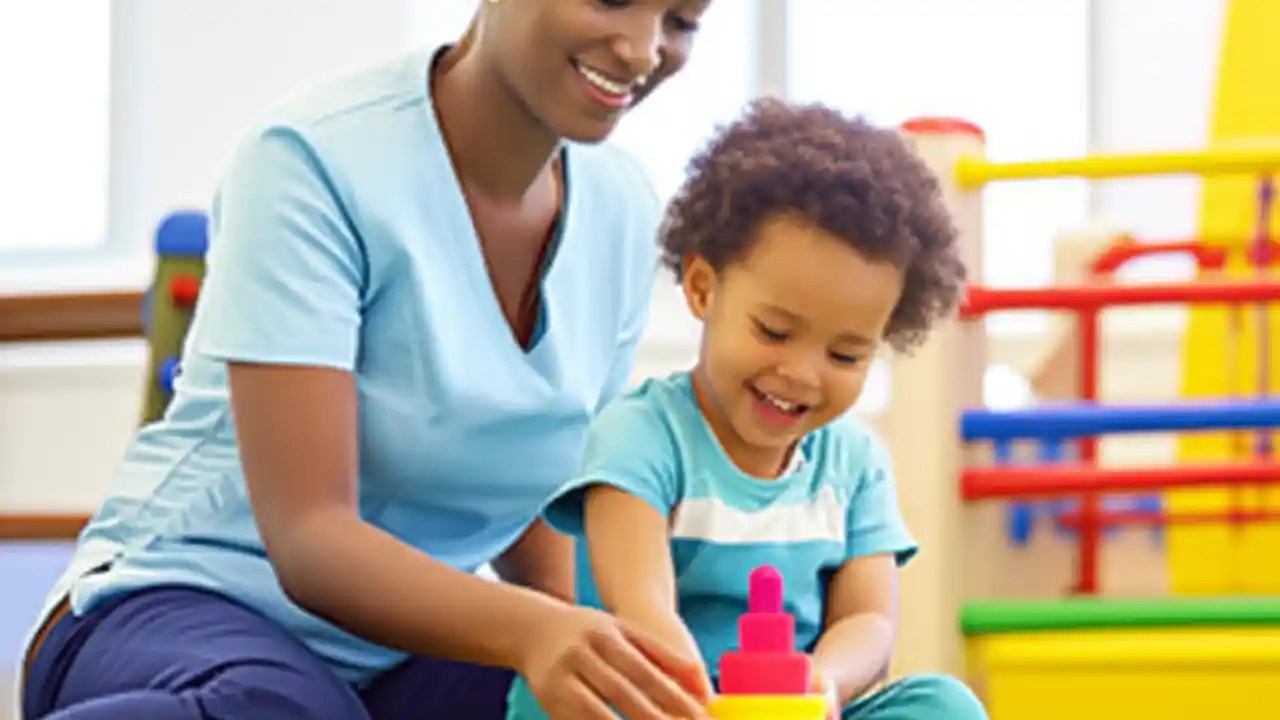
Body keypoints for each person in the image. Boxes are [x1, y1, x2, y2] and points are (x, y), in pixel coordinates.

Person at [19, 1, 720, 719]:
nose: (643, 50)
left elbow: (541, 507)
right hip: (176, 603)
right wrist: (538, 632)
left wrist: (608, 657)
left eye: (681, 20)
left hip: (392, 656)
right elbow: (310, 538)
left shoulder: (622, 209)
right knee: (289, 707)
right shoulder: (312, 160)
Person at [505, 98, 989, 720]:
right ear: (703, 289)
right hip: (653, 695)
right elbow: (642, 607)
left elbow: (868, 620)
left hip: (786, 708)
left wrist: (822, 682)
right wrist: (705, 705)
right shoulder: (640, 435)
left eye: (845, 355)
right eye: (775, 332)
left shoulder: (855, 463)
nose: (802, 374)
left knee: (944, 704)